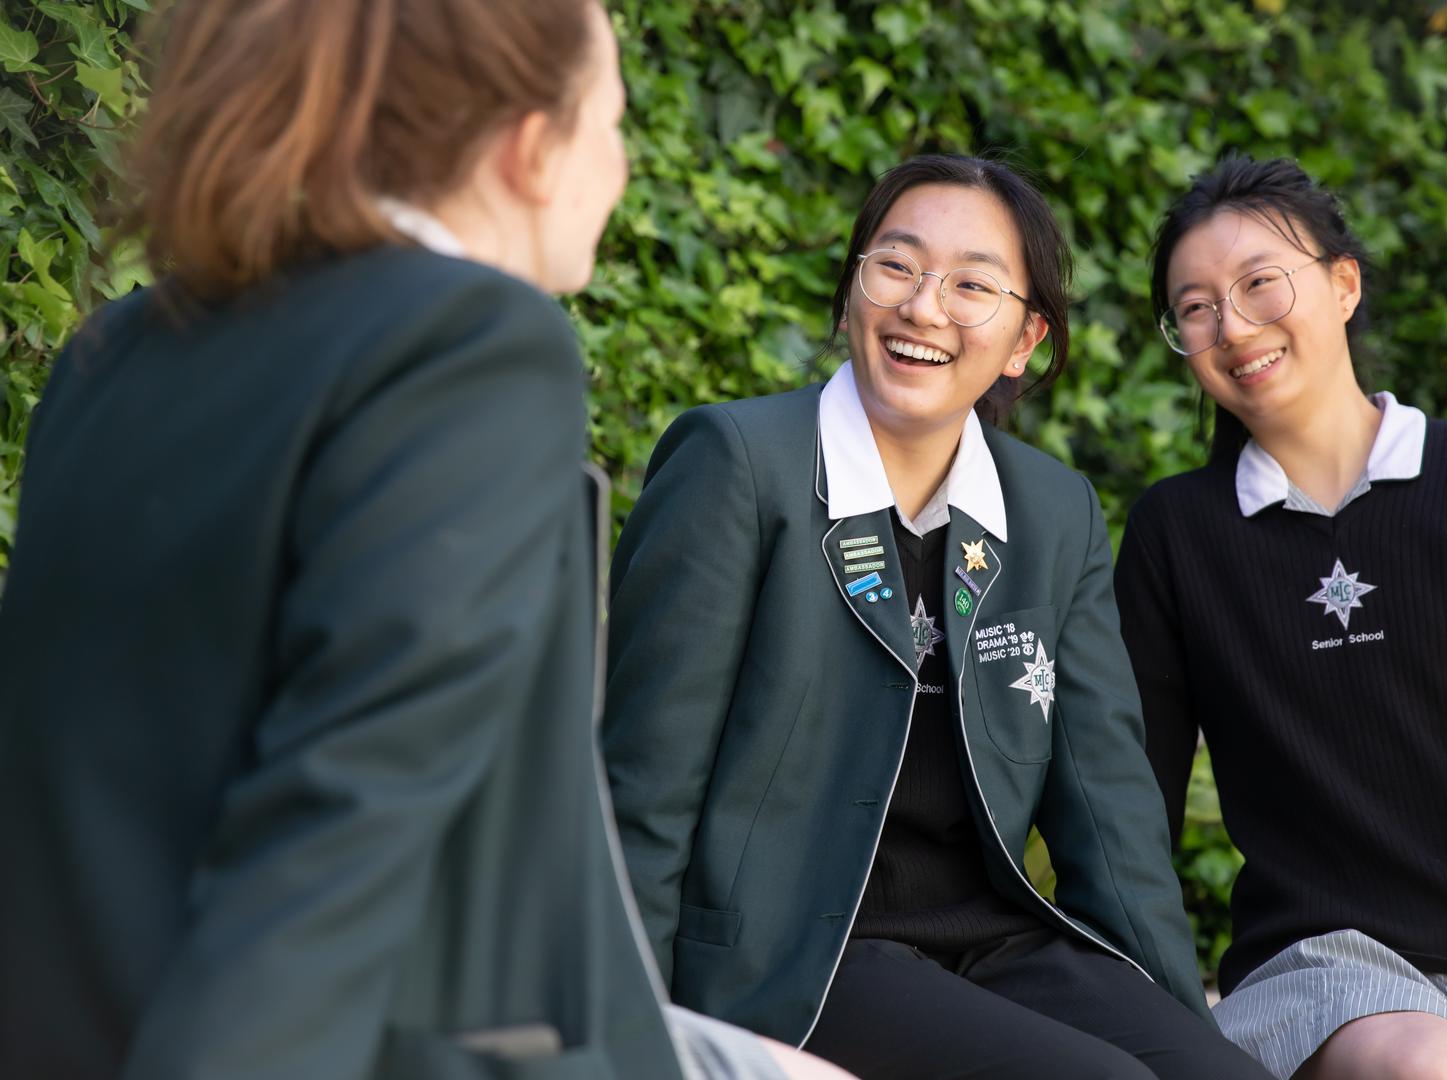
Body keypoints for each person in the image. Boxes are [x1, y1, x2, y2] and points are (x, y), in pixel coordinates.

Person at [0, 2, 846, 1078]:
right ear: (532, 149)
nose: (623, 170)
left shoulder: (121, 343)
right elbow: (342, 821)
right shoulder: (470, 344)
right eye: (613, 124)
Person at [601, 153, 1273, 1080]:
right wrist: (625, 1035)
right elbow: (645, 787)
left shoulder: (1052, 511)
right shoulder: (739, 464)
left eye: (972, 285)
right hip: (799, 958)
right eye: (896, 266)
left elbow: (1110, 809)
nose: (923, 307)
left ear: (1025, 339)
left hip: (992, 942)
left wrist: (1177, 1027)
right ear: (851, 294)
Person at [1114, 154, 1447, 1080]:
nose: (1234, 326)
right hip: (1323, 967)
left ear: (1343, 285)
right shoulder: (1175, 534)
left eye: (1260, 284)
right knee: (1433, 1067)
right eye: (1196, 308)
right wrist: (1146, 1001)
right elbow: (1132, 798)